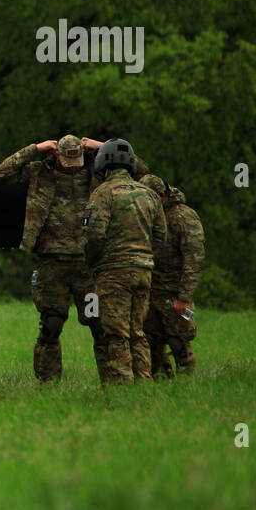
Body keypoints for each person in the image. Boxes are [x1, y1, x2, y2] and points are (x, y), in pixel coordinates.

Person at [0, 133, 110, 381]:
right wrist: (35, 148)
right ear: (56, 155)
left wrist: (104, 147)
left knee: (99, 324)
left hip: (87, 264)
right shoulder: (40, 172)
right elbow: (2, 173)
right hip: (52, 261)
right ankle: (48, 384)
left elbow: (139, 169)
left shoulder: (98, 173)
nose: (72, 169)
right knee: (51, 324)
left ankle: (112, 382)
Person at [81, 139, 167, 384]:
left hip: (114, 272)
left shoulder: (103, 193)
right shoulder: (149, 194)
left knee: (116, 333)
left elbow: (94, 235)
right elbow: (161, 237)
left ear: (103, 165)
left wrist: (94, 261)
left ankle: (123, 384)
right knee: (137, 331)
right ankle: (144, 381)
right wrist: (144, 256)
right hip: (144, 271)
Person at [139, 175, 205, 376]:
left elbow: (194, 259)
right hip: (152, 290)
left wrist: (183, 296)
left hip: (174, 293)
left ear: (161, 195)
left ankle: (186, 382)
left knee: (178, 340)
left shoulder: (183, 217)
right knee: (151, 342)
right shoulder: (150, 214)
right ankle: (161, 382)